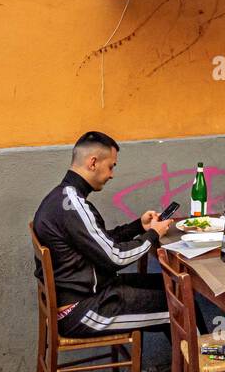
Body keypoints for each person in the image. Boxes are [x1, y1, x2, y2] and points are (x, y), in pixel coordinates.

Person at [32, 130, 175, 339]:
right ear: (93, 163)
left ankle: (186, 363)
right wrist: (153, 234)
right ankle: (208, 366)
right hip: (82, 311)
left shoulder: (62, 197)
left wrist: (138, 227)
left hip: (91, 295)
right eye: (111, 166)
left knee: (174, 288)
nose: (111, 174)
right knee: (182, 305)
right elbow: (114, 257)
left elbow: (99, 241)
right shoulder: (72, 204)